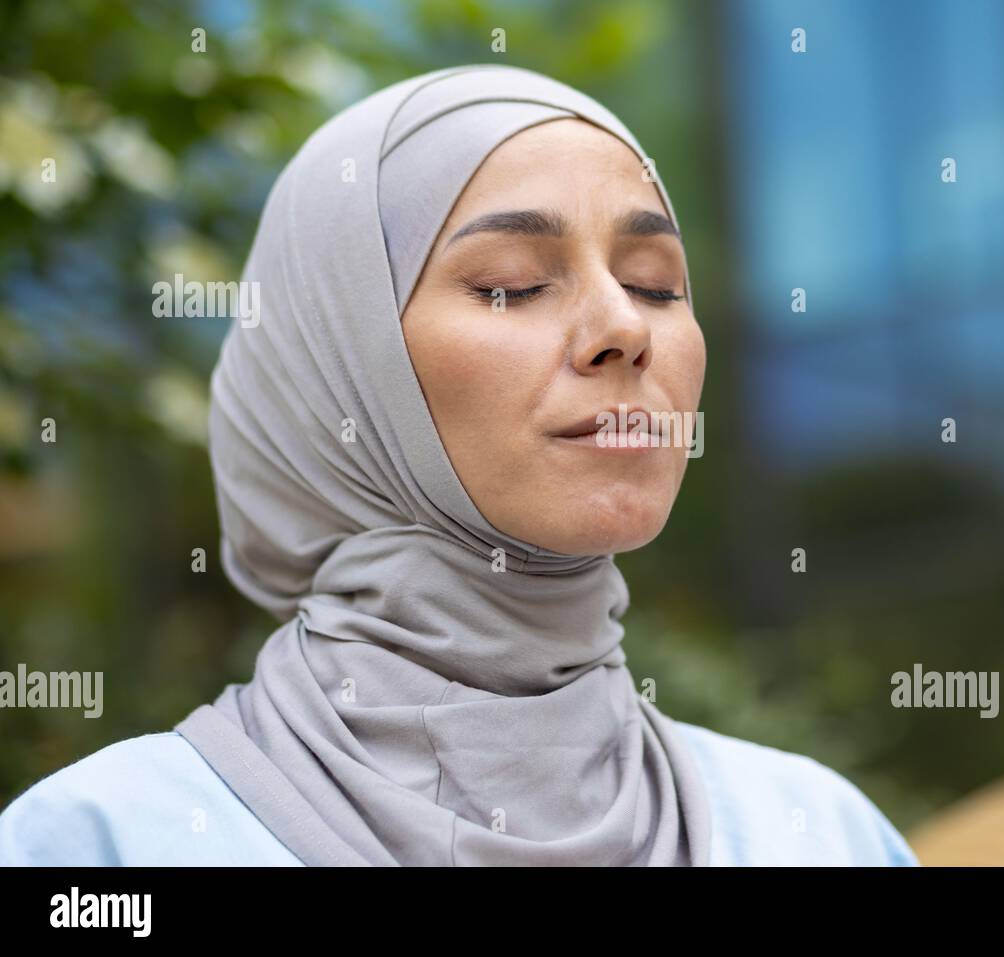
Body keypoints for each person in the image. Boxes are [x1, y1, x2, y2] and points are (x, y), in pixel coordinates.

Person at [0, 64, 917, 867]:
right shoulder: (101, 850)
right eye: (511, 283)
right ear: (342, 362)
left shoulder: (820, 834)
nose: (626, 329)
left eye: (655, 284)